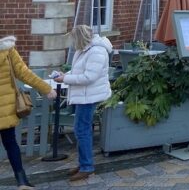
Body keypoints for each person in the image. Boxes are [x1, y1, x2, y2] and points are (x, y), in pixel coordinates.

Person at [54, 25, 113, 182]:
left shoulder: (97, 51)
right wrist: (64, 74)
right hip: (84, 95)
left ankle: (87, 166)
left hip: (89, 96)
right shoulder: (85, 49)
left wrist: (65, 79)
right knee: (81, 130)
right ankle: (83, 164)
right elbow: (78, 71)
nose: (73, 43)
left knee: (82, 130)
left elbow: (89, 77)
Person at [1, 35, 57, 190]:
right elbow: (24, 73)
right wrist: (46, 88)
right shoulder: (7, 49)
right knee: (11, 143)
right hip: (5, 108)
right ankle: (22, 181)